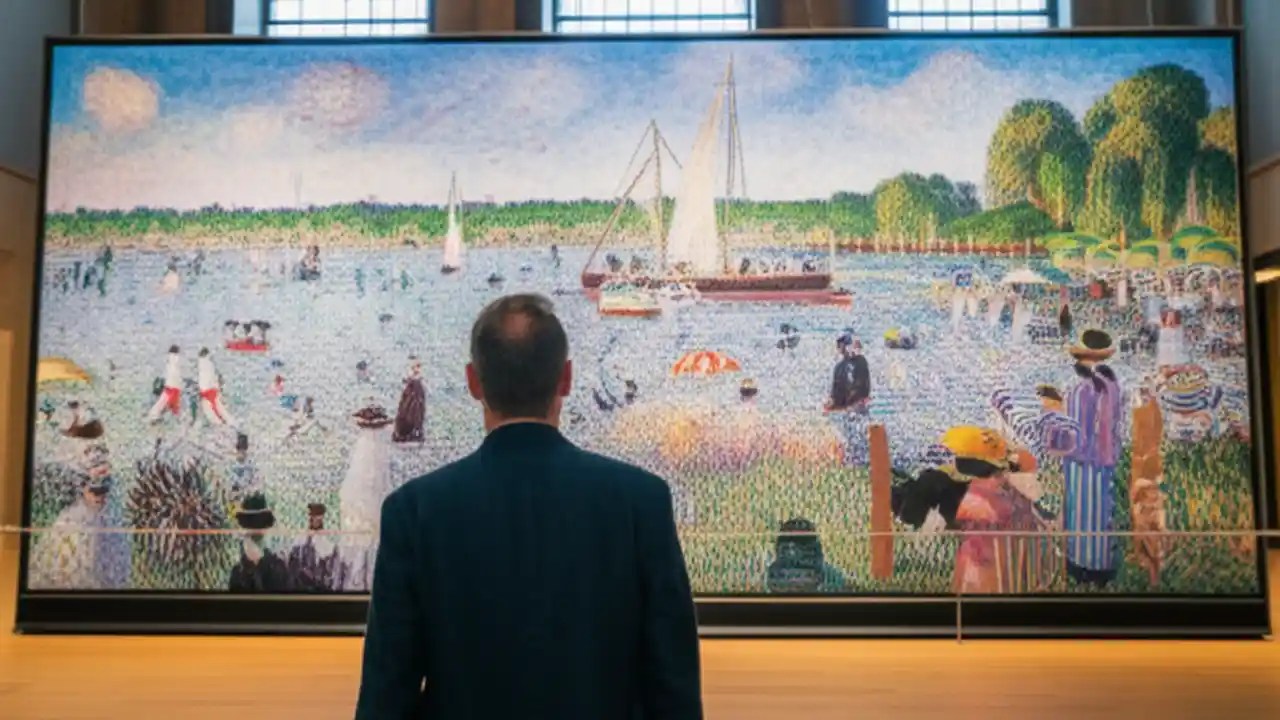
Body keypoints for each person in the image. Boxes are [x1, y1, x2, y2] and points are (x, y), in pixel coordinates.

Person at [355, 293, 702, 720]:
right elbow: (675, 692)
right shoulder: (641, 502)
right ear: (567, 379)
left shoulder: (413, 511)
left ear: (473, 383)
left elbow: (385, 697)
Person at [1061, 329, 1124, 588]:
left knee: (1081, 513)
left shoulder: (1079, 390)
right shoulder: (1112, 385)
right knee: (1101, 513)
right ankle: (1102, 568)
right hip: (1106, 460)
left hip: (1081, 462)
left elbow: (1075, 434)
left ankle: (1081, 568)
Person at [826, 334, 870, 413]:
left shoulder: (860, 362)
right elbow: (836, 391)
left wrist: (851, 404)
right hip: (847, 406)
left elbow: (862, 387)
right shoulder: (839, 367)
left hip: (856, 405)